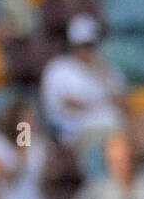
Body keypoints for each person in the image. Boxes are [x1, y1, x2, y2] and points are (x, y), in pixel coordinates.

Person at [40, 14, 126, 150]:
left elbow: (123, 103)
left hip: (110, 124)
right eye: (82, 46)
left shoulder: (106, 68)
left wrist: (102, 75)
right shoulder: (59, 68)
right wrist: (102, 103)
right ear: (72, 45)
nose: (87, 51)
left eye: (91, 45)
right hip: (73, 131)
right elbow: (69, 105)